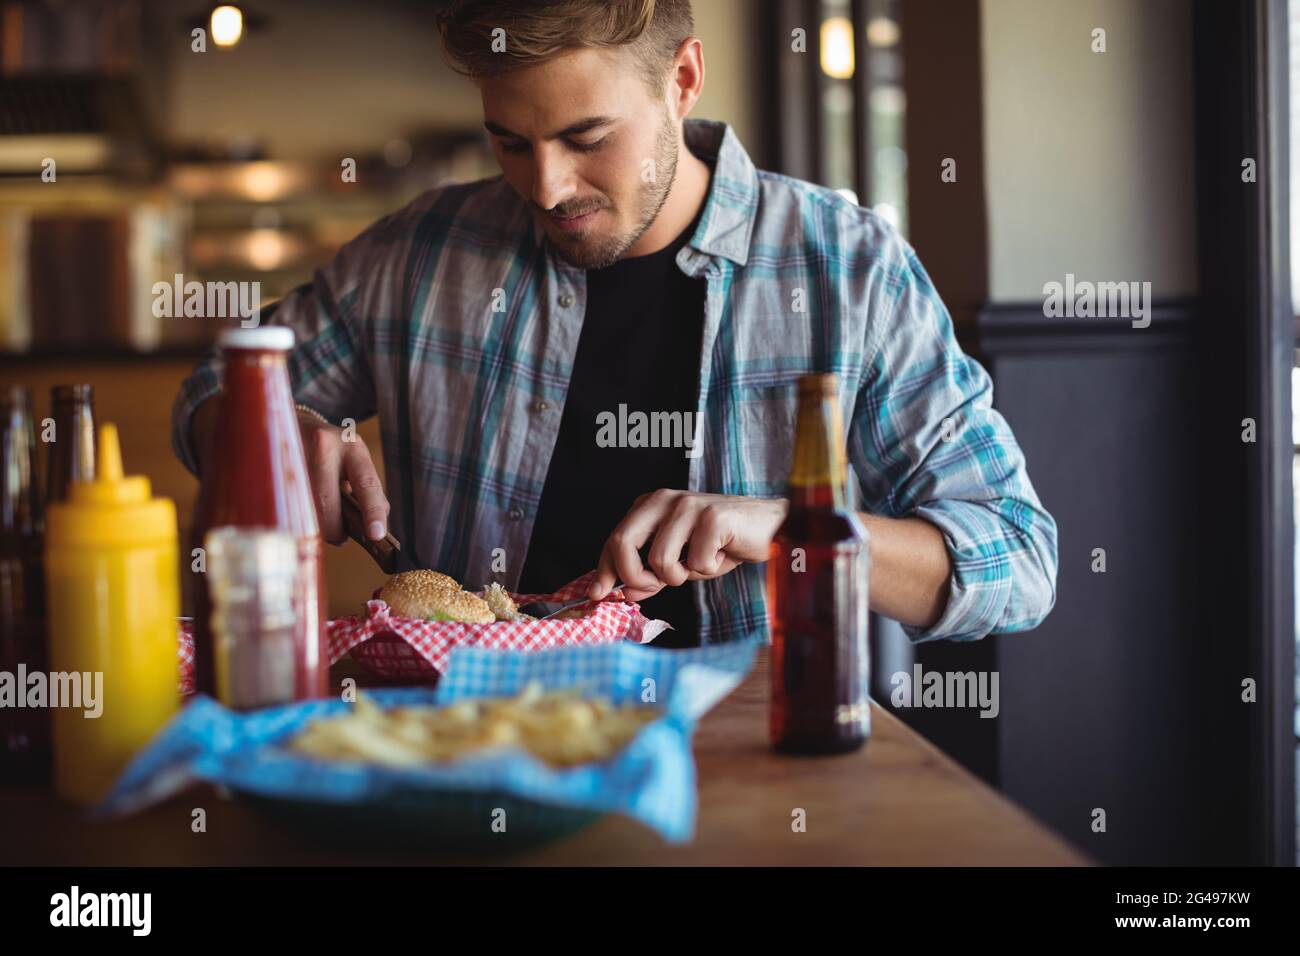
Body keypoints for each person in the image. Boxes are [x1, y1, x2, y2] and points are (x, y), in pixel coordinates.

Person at [172, 0, 1057, 648]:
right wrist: (267, 427)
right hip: (462, 757)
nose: (548, 187)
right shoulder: (418, 253)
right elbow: (211, 392)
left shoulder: (848, 265)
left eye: (588, 137)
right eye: (511, 142)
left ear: (682, 81)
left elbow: (1017, 560)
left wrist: (788, 529)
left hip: (756, 770)